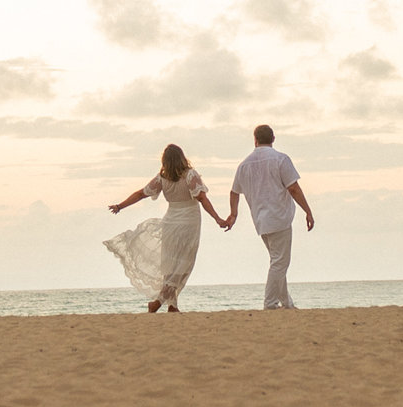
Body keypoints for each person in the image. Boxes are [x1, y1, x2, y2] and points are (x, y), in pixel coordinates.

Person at [105, 144, 226, 312]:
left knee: (171, 265)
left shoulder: (162, 178)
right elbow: (202, 198)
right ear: (182, 157)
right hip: (188, 222)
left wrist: (120, 206)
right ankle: (158, 302)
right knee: (183, 264)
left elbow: (141, 194)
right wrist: (217, 218)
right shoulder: (190, 175)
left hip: (170, 221)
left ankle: (172, 305)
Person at [224, 124, 313, 310]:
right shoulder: (280, 159)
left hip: (261, 220)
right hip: (279, 217)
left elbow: (234, 192)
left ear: (255, 140)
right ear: (273, 139)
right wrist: (308, 210)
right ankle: (270, 303)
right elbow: (293, 188)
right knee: (280, 263)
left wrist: (234, 214)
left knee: (277, 261)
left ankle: (287, 303)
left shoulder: (244, 165)